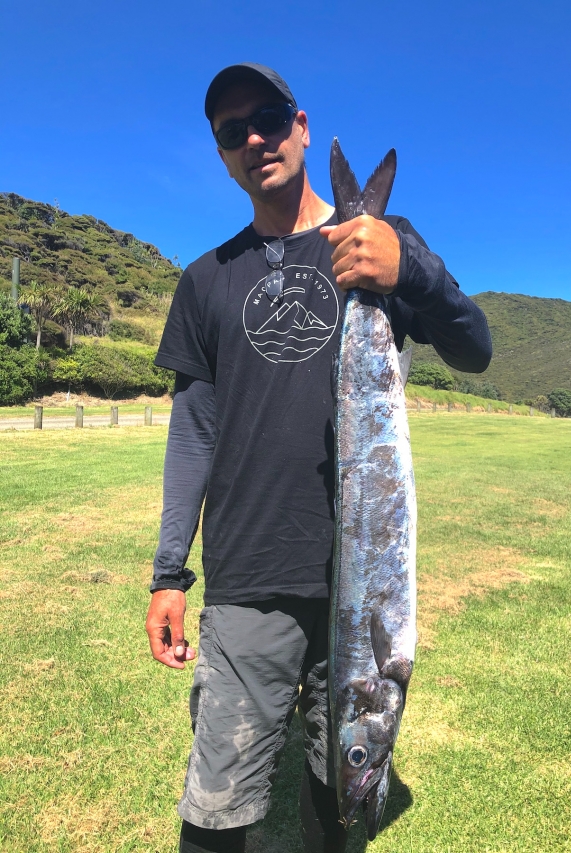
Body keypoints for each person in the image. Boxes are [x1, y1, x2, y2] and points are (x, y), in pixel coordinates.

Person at [145, 62, 492, 853]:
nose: (254, 139)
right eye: (233, 132)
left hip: (362, 587)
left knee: (340, 798)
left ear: (302, 125)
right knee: (215, 815)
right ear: (224, 155)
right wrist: (170, 570)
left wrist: (413, 269)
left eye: (267, 118)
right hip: (250, 577)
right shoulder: (206, 280)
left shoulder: (378, 242)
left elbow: (476, 347)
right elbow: (194, 430)